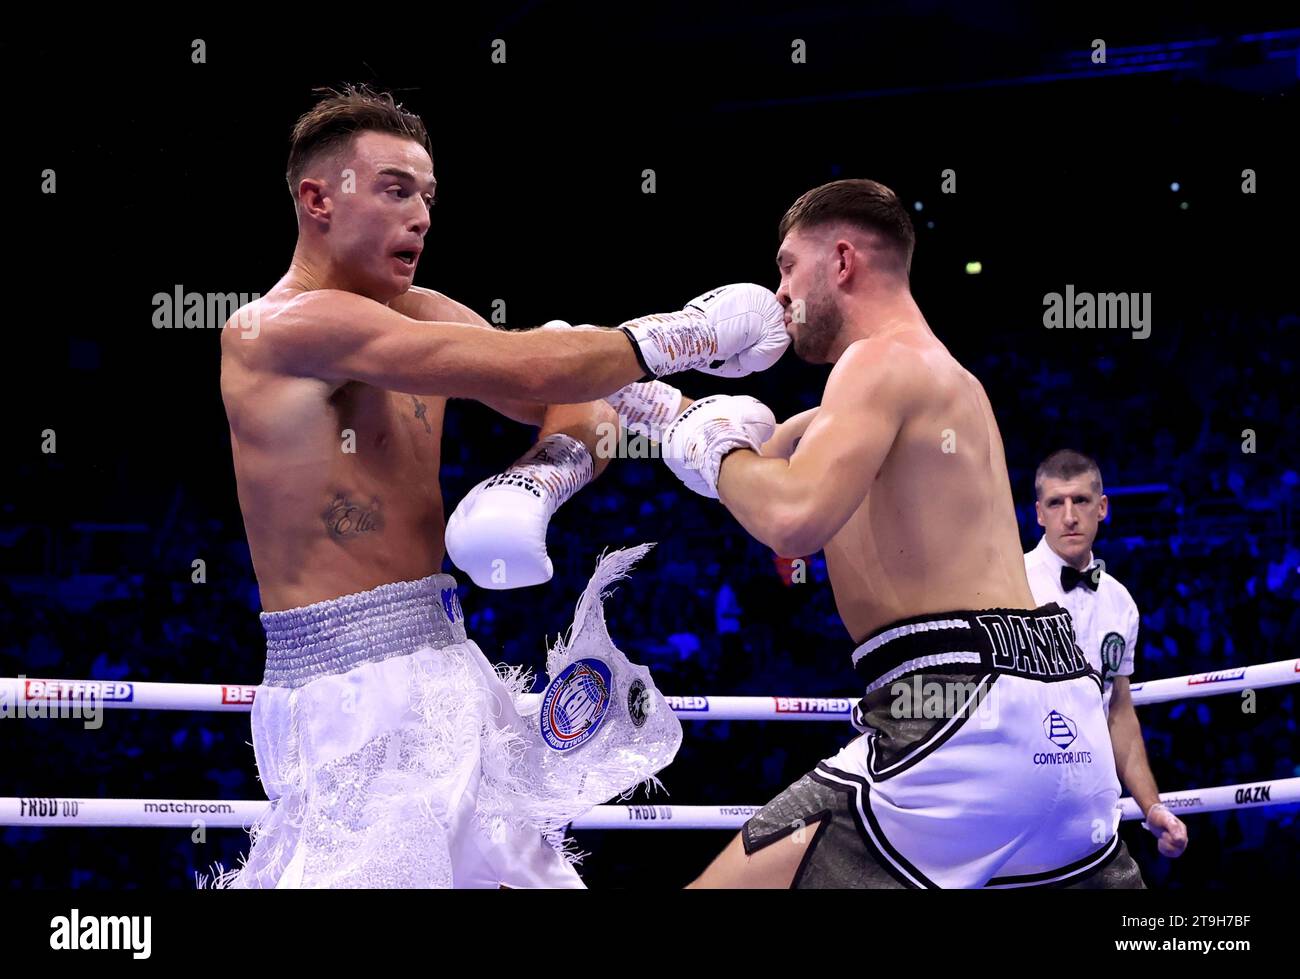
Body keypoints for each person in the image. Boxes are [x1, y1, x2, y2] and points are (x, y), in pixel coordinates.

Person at [212, 84, 788, 888]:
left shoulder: (419, 311)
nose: (421, 215)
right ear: (318, 199)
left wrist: (537, 481)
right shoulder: (276, 330)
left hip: (450, 662)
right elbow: (539, 366)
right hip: (345, 693)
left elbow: (561, 395)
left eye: (428, 196)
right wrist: (688, 333)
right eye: (394, 189)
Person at [652, 178, 1144, 887]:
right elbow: (765, 476)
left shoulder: (874, 363)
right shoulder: (940, 377)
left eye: (788, 266)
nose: (778, 292)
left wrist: (713, 445)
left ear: (843, 260)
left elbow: (791, 515)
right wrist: (655, 395)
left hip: (958, 708)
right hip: (1059, 716)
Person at [1025, 449, 1189, 859]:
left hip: (1091, 809)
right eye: (1055, 503)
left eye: (1080, 501)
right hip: (1019, 801)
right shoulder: (1006, 585)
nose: (1069, 516)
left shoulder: (1121, 603)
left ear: (1102, 508)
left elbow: (1118, 712)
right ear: (1039, 514)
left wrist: (1153, 808)